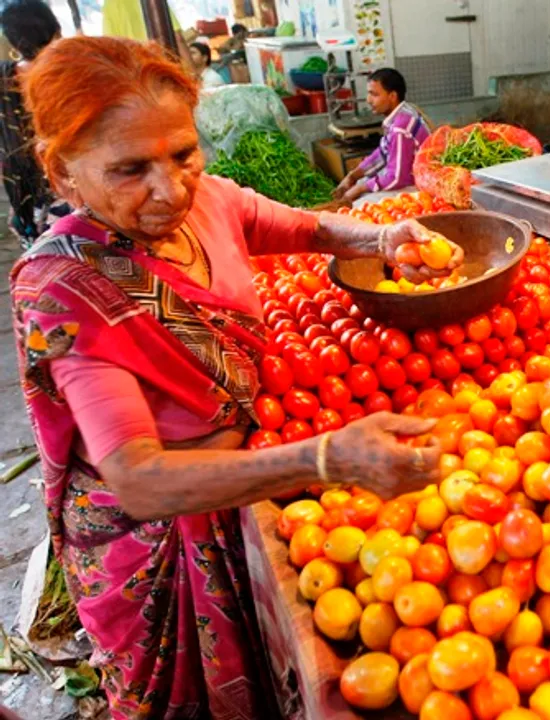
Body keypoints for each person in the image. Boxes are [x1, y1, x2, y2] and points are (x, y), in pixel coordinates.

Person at [14, 36, 462, 718]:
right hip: (156, 543)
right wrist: (322, 457)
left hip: (247, 489)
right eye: (131, 169)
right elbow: (137, 477)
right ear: (63, 176)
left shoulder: (208, 203)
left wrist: (383, 238)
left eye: (184, 154)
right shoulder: (69, 292)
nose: (172, 189)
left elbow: (306, 229)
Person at [0, 0, 69, 250]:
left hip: (27, 202)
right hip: (78, 193)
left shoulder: (4, 78)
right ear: (56, 29)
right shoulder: (74, 73)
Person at [333, 68, 430, 204]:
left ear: (392, 96)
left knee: (360, 203)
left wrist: (361, 188)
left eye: (374, 94)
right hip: (406, 176)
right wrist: (353, 176)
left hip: (417, 185)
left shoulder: (400, 128)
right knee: (361, 183)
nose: (368, 100)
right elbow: (383, 153)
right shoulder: (404, 110)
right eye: (369, 94)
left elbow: (397, 178)